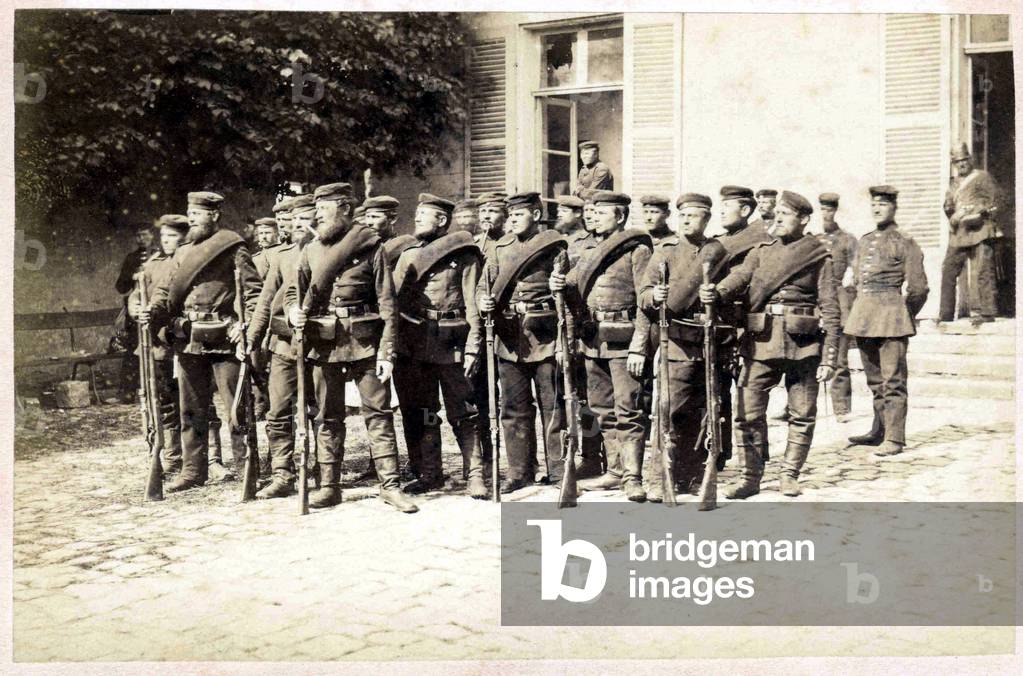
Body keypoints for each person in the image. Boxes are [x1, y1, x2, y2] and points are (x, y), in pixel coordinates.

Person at [285, 182, 418, 513]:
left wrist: (387, 352)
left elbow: (387, 302)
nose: (318, 214)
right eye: (316, 208)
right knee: (327, 416)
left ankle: (390, 485)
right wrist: (293, 312)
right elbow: (292, 292)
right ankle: (329, 486)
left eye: (324, 208)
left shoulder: (371, 248)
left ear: (344, 209)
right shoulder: (310, 249)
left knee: (378, 414)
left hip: (365, 343)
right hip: (324, 344)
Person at [700, 190, 840, 498]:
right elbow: (739, 277)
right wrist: (716, 292)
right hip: (761, 342)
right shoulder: (761, 251)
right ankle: (750, 477)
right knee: (747, 413)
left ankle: (790, 474)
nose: (778, 218)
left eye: (786, 214)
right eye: (776, 213)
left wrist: (830, 358)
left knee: (801, 413)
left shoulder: (818, 255)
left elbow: (830, 307)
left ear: (804, 219)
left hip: (804, 343)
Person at [140, 192, 262, 492]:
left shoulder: (232, 247)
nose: (192, 218)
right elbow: (166, 291)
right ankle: (194, 471)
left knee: (236, 408)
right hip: (190, 338)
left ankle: (247, 467)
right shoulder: (182, 253)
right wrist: (151, 310)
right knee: (191, 408)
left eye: (199, 213)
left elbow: (253, 292)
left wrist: (244, 325)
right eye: (190, 212)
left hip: (224, 338)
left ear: (214, 215)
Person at [550, 191, 652, 501]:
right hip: (592, 342)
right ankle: (615, 472)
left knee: (629, 411)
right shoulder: (588, 251)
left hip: (624, 342)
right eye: (592, 211)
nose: (594, 216)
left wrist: (639, 347)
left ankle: (633, 477)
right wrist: (558, 283)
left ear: (619, 217)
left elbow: (644, 303)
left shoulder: (636, 250)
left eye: (602, 212)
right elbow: (573, 288)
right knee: (602, 410)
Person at [391, 194, 487, 498]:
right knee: (427, 411)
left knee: (464, 411)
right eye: (416, 214)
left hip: (454, 343)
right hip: (419, 345)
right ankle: (431, 473)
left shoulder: (465, 255)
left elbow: (473, 305)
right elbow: (395, 304)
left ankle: (475, 474)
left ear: (442, 221)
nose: (417, 219)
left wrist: (474, 346)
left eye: (424, 214)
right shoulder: (408, 255)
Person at [640, 193, 731, 499]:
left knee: (704, 412)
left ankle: (692, 475)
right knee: (669, 411)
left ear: (707, 219)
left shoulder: (717, 253)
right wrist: (656, 296)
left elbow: (733, 298)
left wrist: (716, 296)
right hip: (675, 341)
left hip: (708, 342)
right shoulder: (665, 252)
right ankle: (659, 477)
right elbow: (643, 294)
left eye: (695, 216)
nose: (688, 220)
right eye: (684, 216)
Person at [476, 191, 567, 494]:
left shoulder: (553, 246)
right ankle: (519, 471)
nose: (512, 219)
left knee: (552, 406)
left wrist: (561, 286)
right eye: (510, 215)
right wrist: (485, 301)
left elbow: (570, 289)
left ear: (537, 216)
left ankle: (557, 470)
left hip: (544, 335)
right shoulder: (500, 248)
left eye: (519, 214)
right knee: (513, 408)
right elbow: (481, 288)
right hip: (510, 337)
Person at [845, 185, 929, 457]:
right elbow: (856, 281)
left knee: (893, 380)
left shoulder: (905, 241)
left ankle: (895, 438)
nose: (877, 208)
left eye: (883, 204)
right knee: (874, 380)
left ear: (894, 207)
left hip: (891, 318)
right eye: (874, 204)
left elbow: (918, 289)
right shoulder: (865, 240)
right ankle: (878, 430)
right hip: (864, 317)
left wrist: (903, 314)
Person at [246, 194, 318, 498]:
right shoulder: (281, 257)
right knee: (277, 412)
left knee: (320, 411)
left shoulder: (326, 254)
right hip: (283, 346)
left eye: (306, 220)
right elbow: (263, 303)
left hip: (319, 347)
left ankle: (324, 471)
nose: (299, 226)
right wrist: (251, 339)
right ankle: (282, 474)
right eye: (295, 221)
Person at [939, 142, 1003, 327]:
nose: (962, 164)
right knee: (949, 270)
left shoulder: (982, 177)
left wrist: (975, 210)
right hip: (959, 232)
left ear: (970, 159)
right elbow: (948, 205)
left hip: (980, 229)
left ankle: (988, 312)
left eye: (965, 160)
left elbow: (996, 200)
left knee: (983, 270)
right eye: (958, 161)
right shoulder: (953, 183)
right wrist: (951, 212)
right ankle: (946, 315)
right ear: (954, 164)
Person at [815, 193, 858, 420]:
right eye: (822, 210)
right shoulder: (813, 240)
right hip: (815, 302)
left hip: (838, 301)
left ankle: (841, 408)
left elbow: (856, 269)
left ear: (835, 211)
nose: (826, 214)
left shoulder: (847, 240)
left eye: (829, 210)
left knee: (839, 360)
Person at [114, 224, 157, 402]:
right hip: (136, 310)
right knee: (133, 351)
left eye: (145, 235)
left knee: (157, 349)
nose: (141, 239)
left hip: (155, 307)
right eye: (138, 236)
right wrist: (131, 276)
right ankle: (129, 392)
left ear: (152, 236)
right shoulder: (131, 258)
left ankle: (157, 390)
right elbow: (120, 287)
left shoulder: (159, 257)